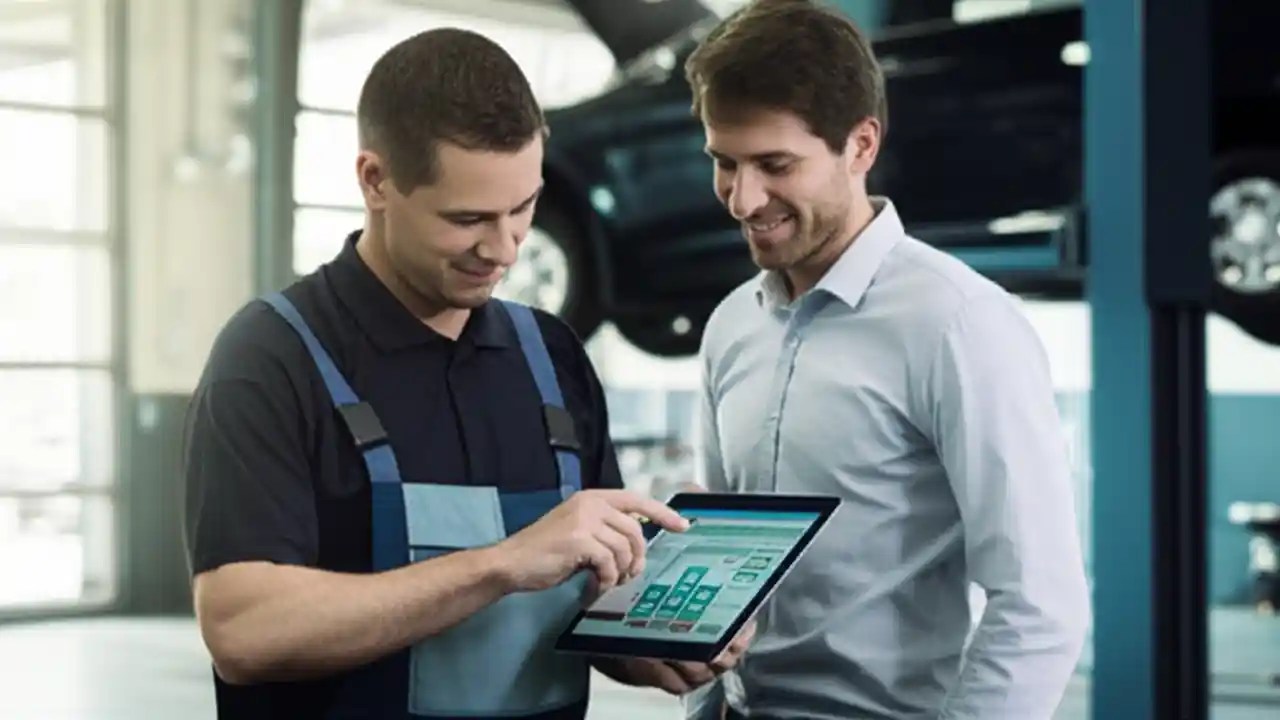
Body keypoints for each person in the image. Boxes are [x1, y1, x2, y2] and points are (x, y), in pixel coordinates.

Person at [182, 28, 750, 720]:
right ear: (375, 181)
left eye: (524, 208)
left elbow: (585, 608)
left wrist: (659, 635)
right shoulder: (271, 358)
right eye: (469, 218)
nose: (505, 248)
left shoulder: (554, 356)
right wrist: (500, 565)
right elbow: (245, 633)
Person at [680, 1, 1092, 719]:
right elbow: (718, 569)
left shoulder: (959, 324)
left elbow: (1040, 604)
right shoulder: (729, 327)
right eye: (724, 163)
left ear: (860, 145)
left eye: (775, 165)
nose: (743, 199)